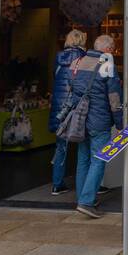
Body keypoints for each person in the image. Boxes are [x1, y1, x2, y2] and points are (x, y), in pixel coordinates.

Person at [70, 34, 123, 218]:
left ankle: (83, 198)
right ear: (108, 49)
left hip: (80, 120)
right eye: (113, 49)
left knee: (83, 159)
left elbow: (71, 88)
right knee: (99, 159)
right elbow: (114, 98)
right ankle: (86, 202)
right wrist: (120, 122)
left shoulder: (77, 61)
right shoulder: (107, 64)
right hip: (99, 120)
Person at [46, 29, 87, 196]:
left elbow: (56, 80)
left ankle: (57, 184)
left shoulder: (58, 58)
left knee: (61, 146)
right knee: (84, 145)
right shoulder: (84, 59)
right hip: (76, 106)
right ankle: (85, 185)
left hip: (60, 107)